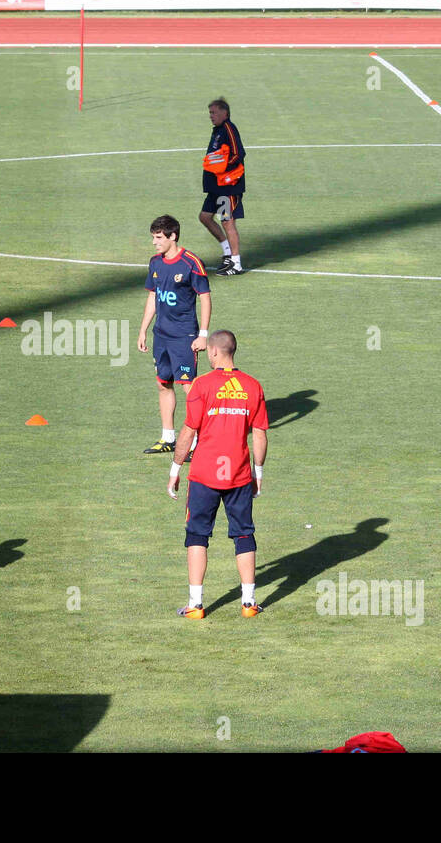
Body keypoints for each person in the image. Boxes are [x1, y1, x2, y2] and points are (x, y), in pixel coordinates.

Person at [166, 330, 268, 618]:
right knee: (244, 534)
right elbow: (259, 434)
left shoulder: (202, 385)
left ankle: (195, 605)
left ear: (213, 352)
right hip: (239, 475)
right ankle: (248, 603)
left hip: (203, 477)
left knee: (197, 535)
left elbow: (188, 431)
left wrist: (175, 468)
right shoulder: (253, 386)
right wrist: (257, 472)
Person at [138, 215, 211, 456]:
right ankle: (168, 437)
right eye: (153, 237)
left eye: (158, 238)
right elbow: (152, 296)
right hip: (162, 335)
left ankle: (196, 440)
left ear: (173, 236)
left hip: (184, 336)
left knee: (189, 387)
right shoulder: (155, 263)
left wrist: (203, 335)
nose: (154, 242)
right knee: (162, 383)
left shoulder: (191, 263)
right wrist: (144, 329)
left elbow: (204, 297)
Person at [198, 98, 247, 275]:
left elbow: (238, 154)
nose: (211, 116)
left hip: (227, 188)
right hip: (215, 188)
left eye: (214, 112)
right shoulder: (218, 130)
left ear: (224, 113)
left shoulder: (228, 129)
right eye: (210, 113)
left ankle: (236, 263)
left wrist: (224, 172)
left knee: (227, 221)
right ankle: (227, 252)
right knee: (205, 217)